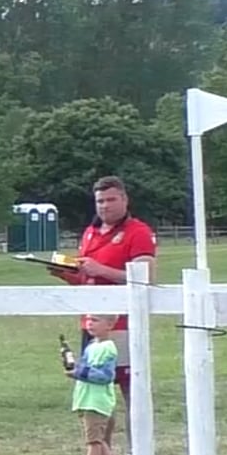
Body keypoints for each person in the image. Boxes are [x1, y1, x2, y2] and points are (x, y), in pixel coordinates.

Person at [43, 176, 157, 417]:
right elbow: (88, 279)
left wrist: (101, 269)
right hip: (91, 322)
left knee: (129, 388)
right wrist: (66, 275)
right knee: (94, 391)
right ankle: (103, 453)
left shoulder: (138, 232)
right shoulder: (90, 232)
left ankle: (135, 451)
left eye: (111, 199)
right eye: (100, 201)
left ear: (125, 200)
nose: (104, 206)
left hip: (122, 324)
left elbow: (146, 278)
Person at [68, 313, 123, 455]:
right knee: (99, 439)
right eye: (88, 320)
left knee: (93, 441)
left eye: (95, 320)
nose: (90, 324)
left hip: (97, 401)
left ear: (109, 325)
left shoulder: (108, 348)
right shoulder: (91, 346)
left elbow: (105, 376)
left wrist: (81, 372)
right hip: (86, 398)